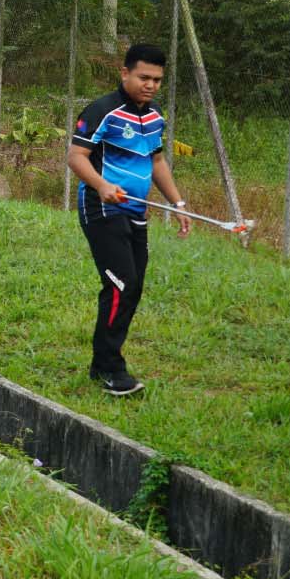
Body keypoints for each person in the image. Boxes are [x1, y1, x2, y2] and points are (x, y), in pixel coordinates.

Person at [66, 43, 191, 397]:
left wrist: (177, 203)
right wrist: (102, 185)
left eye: (157, 79)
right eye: (143, 77)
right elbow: (76, 157)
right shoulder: (102, 111)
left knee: (133, 286)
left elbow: (157, 163)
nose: (150, 85)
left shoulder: (154, 116)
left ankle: (100, 363)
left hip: (137, 211)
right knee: (122, 282)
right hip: (101, 209)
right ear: (125, 73)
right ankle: (110, 366)